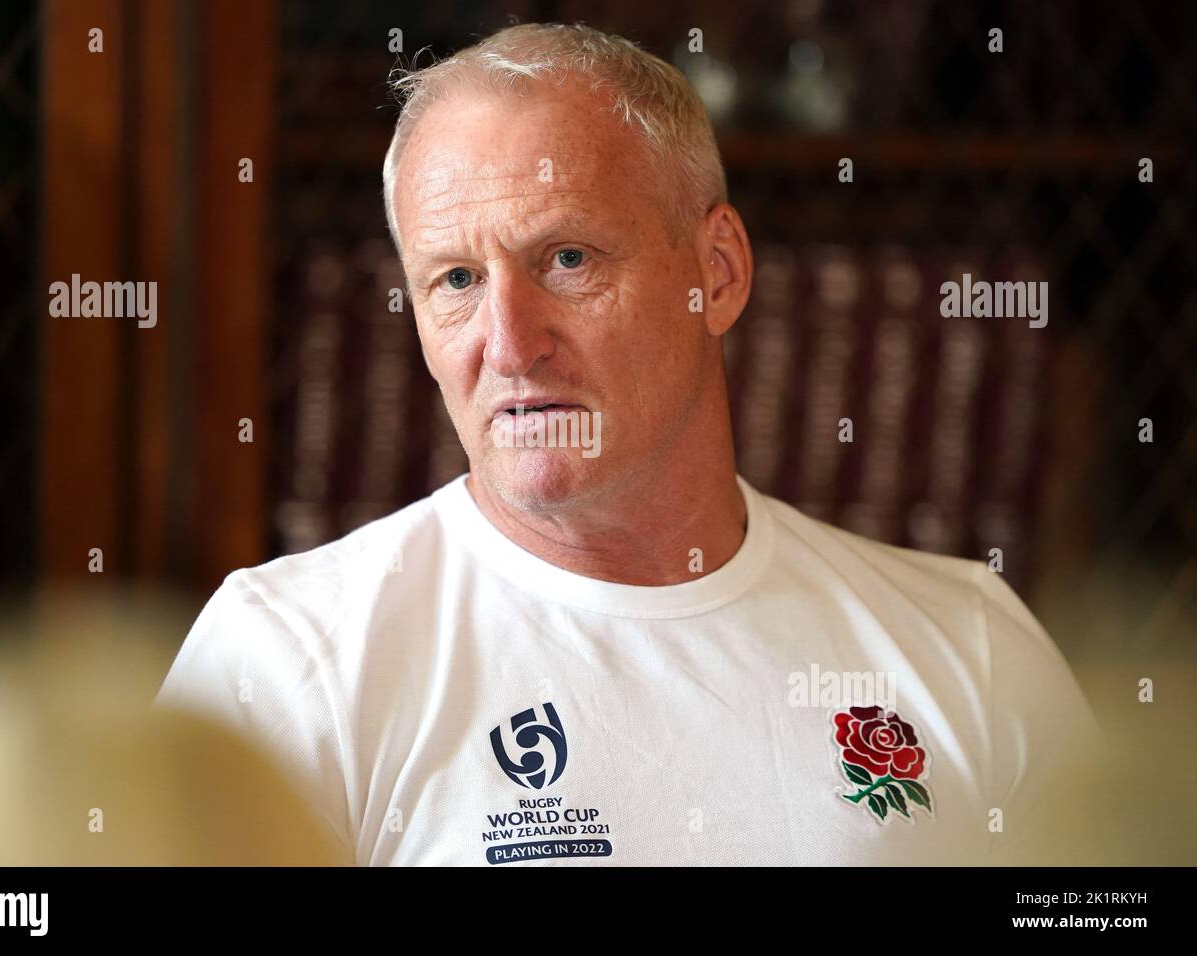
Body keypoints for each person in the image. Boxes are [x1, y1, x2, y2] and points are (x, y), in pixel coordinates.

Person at [155, 22, 1101, 866]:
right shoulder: (285, 663)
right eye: (454, 280)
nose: (511, 343)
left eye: (567, 259)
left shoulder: (968, 650)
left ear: (718, 273)